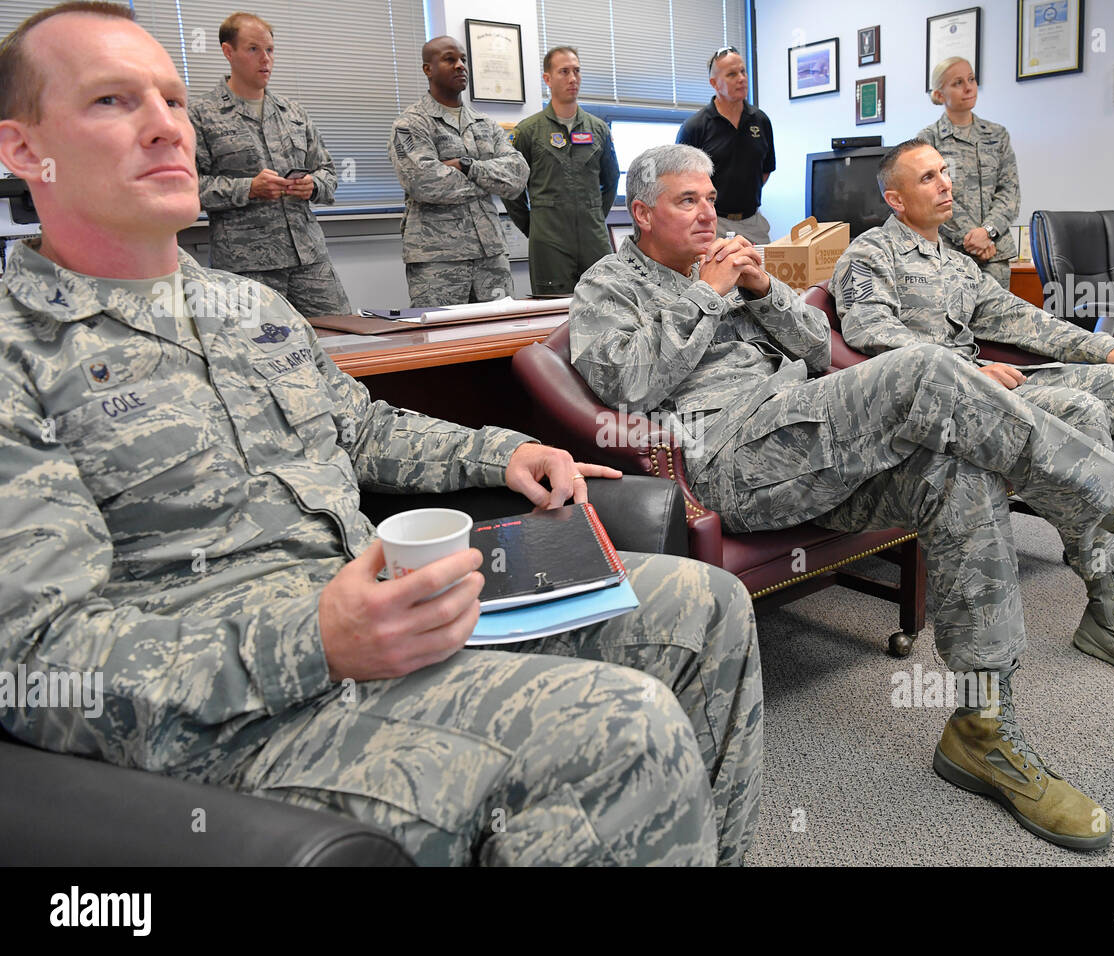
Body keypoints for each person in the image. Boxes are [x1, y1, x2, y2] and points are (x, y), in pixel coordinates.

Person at [0, 3, 763, 867]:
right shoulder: (18, 351)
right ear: (24, 149)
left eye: (173, 102)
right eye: (112, 102)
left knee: (708, 607)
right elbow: (33, 659)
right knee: (624, 734)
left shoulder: (249, 308)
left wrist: (502, 451)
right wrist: (312, 640)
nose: (166, 129)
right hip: (237, 718)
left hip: (376, 609)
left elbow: (360, 428)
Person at [570, 143, 1114, 851]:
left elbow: (819, 348)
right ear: (641, 213)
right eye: (686, 201)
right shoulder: (608, 287)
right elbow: (628, 384)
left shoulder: (731, 267)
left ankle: (982, 730)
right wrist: (708, 295)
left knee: (961, 474)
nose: (707, 214)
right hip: (734, 461)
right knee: (924, 367)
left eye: (710, 198)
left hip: (813, 437)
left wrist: (761, 290)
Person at [833, 140, 1114, 695]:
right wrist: (961, 373)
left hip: (996, 381)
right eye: (927, 178)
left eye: (945, 172)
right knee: (1079, 411)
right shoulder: (869, 257)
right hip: (951, 403)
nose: (945, 185)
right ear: (895, 198)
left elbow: (1028, 322)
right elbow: (869, 333)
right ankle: (1110, 610)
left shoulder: (959, 265)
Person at [188, 11, 351, 317]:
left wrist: (312, 185)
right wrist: (249, 188)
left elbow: (328, 174)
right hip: (247, 267)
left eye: (270, 50)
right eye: (253, 49)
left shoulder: (293, 113)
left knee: (344, 342)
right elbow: (187, 187)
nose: (265, 59)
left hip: (309, 259)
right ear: (228, 52)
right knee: (258, 355)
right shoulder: (201, 115)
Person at [390, 36, 528, 308]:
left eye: (463, 59)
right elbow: (424, 182)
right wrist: (490, 181)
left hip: (491, 254)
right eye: (449, 59)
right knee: (442, 341)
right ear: (427, 69)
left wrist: (467, 167)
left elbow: (518, 175)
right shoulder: (410, 124)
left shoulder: (485, 123)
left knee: (499, 337)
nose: (460, 66)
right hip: (437, 259)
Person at [503, 46, 618, 296]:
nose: (572, 78)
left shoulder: (598, 129)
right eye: (564, 71)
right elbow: (512, 189)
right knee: (552, 314)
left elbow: (611, 181)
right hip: (549, 242)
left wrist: (594, 215)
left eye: (576, 71)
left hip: (593, 240)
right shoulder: (529, 131)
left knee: (606, 307)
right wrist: (536, 227)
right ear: (547, 79)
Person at [916, 57, 1019, 289]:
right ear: (940, 95)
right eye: (958, 82)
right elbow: (931, 196)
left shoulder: (997, 135)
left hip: (995, 253)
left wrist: (988, 232)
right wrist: (970, 237)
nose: (968, 87)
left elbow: (1009, 192)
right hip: (950, 254)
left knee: (1000, 322)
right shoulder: (928, 139)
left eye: (971, 79)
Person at [676, 46, 774, 245]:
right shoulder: (695, 127)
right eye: (731, 74)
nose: (741, 78)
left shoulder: (761, 120)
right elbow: (681, 181)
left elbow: (765, 171)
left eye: (743, 71)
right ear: (714, 83)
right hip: (712, 222)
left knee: (764, 275)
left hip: (753, 221)